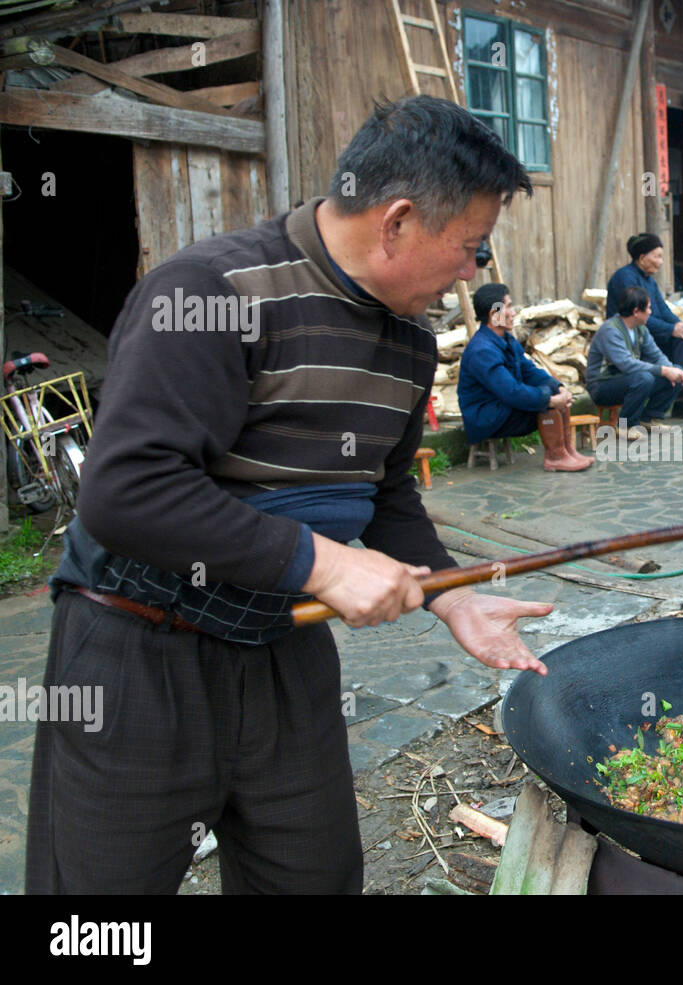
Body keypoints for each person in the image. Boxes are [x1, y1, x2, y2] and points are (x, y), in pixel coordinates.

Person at [26, 96, 555, 895]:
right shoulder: (209, 292)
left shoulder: (408, 341)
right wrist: (323, 563)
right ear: (398, 221)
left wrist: (451, 597)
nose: (474, 273)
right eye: (471, 246)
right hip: (137, 650)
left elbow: (385, 492)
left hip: (282, 646)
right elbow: (128, 491)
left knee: (310, 876)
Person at [457, 283, 593, 472]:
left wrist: (559, 388)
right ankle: (556, 456)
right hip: (487, 418)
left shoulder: (507, 339)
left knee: (551, 392)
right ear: (494, 313)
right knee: (547, 401)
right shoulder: (482, 350)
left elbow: (530, 371)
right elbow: (510, 392)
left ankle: (567, 450)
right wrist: (550, 399)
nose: (513, 313)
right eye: (509, 306)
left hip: (503, 408)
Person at [605, 233, 683, 420]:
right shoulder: (624, 278)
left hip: (649, 335)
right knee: (675, 341)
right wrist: (670, 330)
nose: (661, 262)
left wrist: (678, 325)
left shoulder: (650, 281)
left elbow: (662, 310)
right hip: (632, 339)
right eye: (657, 256)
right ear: (642, 257)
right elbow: (637, 317)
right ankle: (680, 392)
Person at [587, 286, 683, 439]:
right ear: (635, 311)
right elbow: (626, 364)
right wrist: (664, 371)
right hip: (602, 386)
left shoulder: (640, 328)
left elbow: (656, 354)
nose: (650, 312)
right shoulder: (610, 331)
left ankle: (649, 419)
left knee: (677, 371)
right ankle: (626, 425)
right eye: (647, 308)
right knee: (644, 378)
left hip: (626, 380)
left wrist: (672, 369)